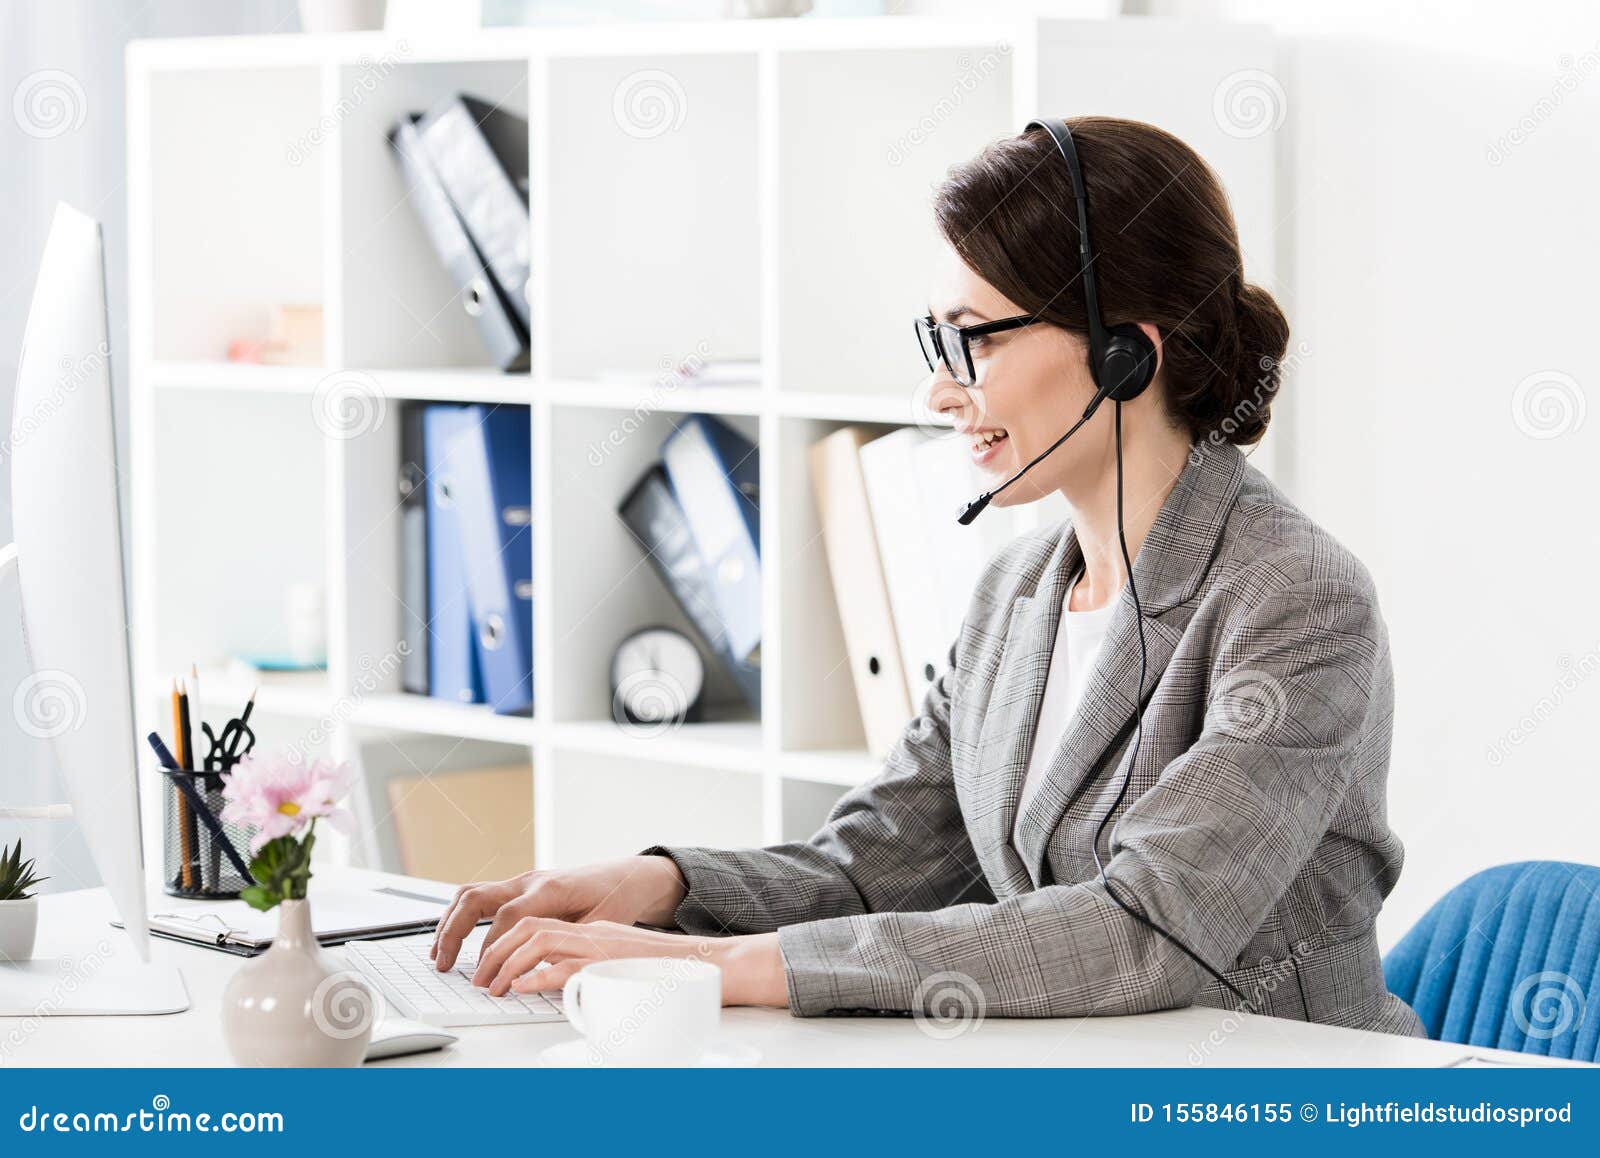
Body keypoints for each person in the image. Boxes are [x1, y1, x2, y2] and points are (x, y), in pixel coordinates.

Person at [431, 116, 1424, 1035]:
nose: (937, 392)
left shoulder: (1295, 601)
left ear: (1127, 354)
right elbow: (879, 860)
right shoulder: (1016, 595)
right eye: (934, 342)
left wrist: (710, 966)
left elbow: (1145, 930)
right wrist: (661, 887)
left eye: (971, 340)